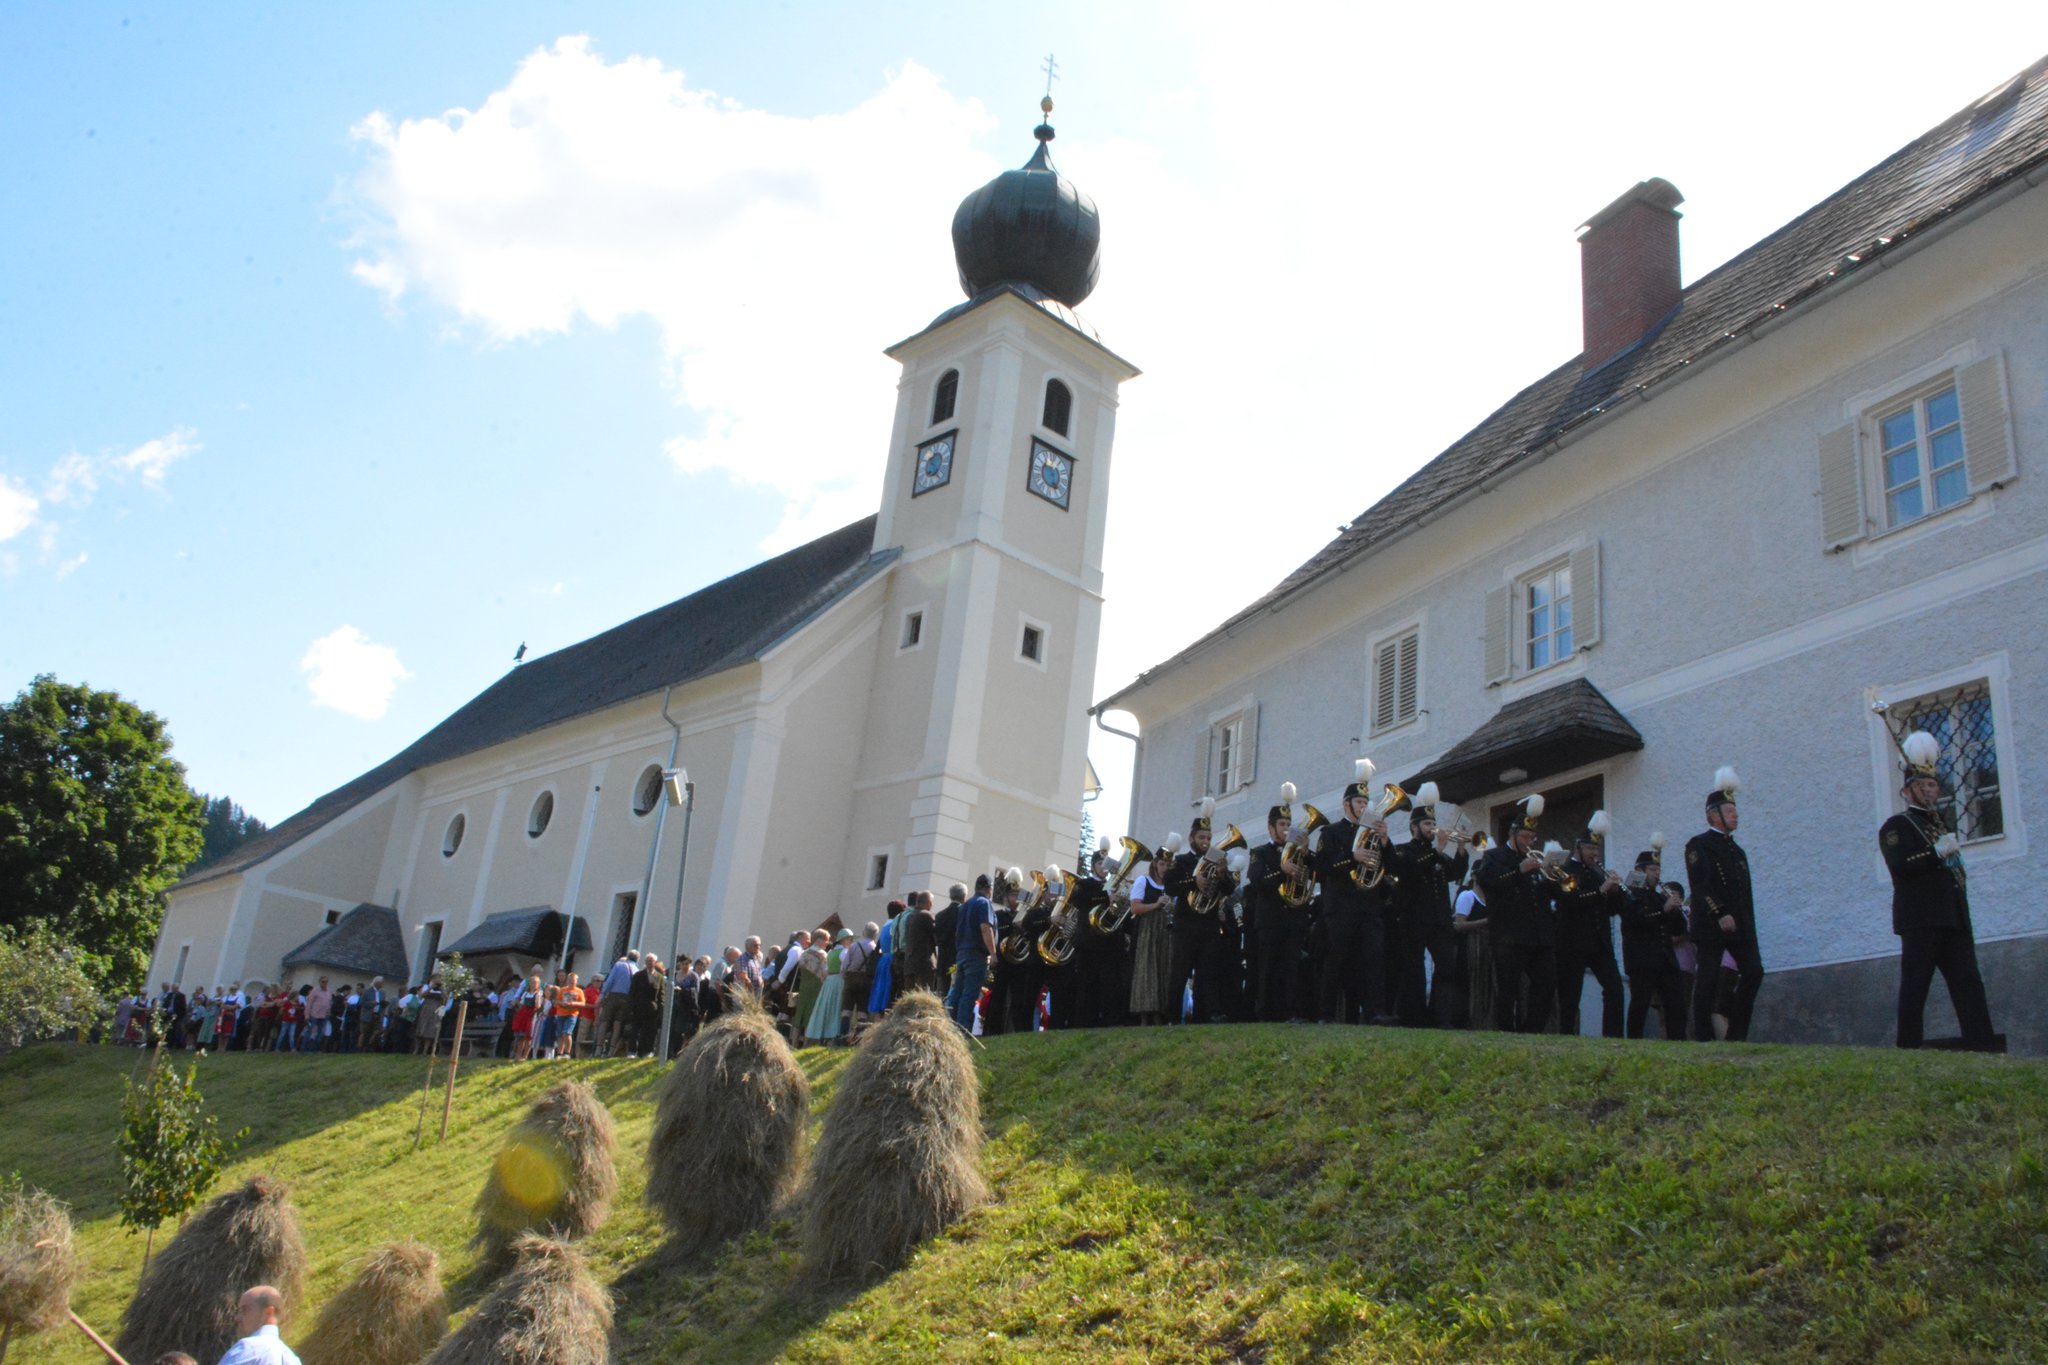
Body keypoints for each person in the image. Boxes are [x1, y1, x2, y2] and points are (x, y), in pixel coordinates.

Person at [1882, 732, 1999, 1050]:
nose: (1928, 790)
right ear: (1907, 790)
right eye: (1921, 785)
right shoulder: (1897, 826)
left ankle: (1982, 1044)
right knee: (1916, 985)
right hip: (1921, 919)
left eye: (1932, 785)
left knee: (1969, 983)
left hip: (1953, 919)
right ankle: (1908, 1046)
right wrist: (1935, 853)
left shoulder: (1940, 824)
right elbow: (1901, 866)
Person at [1312, 761, 1394, 1025]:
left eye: (1365, 803)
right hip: (1340, 907)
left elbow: (1391, 866)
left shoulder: (1372, 833)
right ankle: (1326, 1014)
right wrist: (1352, 857)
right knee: (1336, 960)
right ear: (1346, 804)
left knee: (1373, 960)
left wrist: (1384, 841)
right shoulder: (1331, 832)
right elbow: (1321, 866)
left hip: (1369, 905)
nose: (1363, 807)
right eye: (1359, 802)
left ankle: (1374, 1012)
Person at [1686, 767, 1762, 1043]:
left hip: (1740, 925)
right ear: (1713, 815)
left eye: (1735, 811)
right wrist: (1719, 911)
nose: (1735, 815)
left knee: (1754, 972)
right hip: (1711, 924)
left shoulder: (1738, 851)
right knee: (1707, 979)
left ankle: (1736, 1036)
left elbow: (1744, 894)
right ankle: (1703, 1038)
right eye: (1729, 811)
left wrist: (1748, 926)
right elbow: (1700, 883)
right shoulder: (1699, 845)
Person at [1387, 785, 1469, 1027]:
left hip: (1439, 920)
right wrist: (1438, 850)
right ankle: (1413, 1018)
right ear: (1414, 827)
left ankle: (1440, 1017)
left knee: (1446, 967)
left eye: (1433, 824)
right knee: (1414, 970)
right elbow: (1412, 870)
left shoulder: (1438, 856)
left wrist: (1461, 848)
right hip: (1414, 919)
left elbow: (1454, 872)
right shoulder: (1404, 851)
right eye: (1427, 824)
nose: (1432, 828)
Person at [1475, 795, 1557, 1033]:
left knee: (1546, 983)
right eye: (1524, 837)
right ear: (1512, 834)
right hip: (1509, 935)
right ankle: (1506, 1031)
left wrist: (1551, 875)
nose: (1528, 842)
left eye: (1532, 838)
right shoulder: (1494, 856)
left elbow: (1550, 893)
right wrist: (1519, 871)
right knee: (1508, 988)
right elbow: (1489, 882)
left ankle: (1532, 1029)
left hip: (1539, 935)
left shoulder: (1536, 859)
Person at [1554, 812, 1626, 1037]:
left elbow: (1612, 910)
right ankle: (1567, 1038)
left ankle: (1612, 1037)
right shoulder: (1566, 871)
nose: (1594, 853)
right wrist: (1601, 890)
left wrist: (1615, 892)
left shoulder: (1596, 874)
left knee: (1614, 988)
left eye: (1596, 848)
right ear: (1578, 847)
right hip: (1572, 942)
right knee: (1570, 996)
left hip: (1599, 943)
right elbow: (1570, 901)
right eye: (1589, 848)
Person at [1251, 787, 1308, 1022]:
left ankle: (1290, 1012)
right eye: (1282, 824)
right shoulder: (1260, 852)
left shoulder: (1296, 851)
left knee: (1291, 967)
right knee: (1268, 968)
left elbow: (1311, 876)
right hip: (1270, 919)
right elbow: (1257, 881)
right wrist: (1281, 870)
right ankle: (1266, 1014)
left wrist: (1305, 853)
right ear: (1271, 828)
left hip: (1293, 918)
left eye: (1288, 824)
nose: (1286, 829)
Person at [1620, 850, 1689, 1039]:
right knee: (1640, 1003)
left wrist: (1676, 911)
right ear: (1640, 871)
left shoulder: (1659, 897)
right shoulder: (1629, 895)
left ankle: (1678, 1041)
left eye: (1658, 870)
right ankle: (1634, 1040)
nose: (1657, 874)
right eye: (1652, 869)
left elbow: (1677, 930)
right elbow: (1636, 920)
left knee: (1676, 1004)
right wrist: (1664, 910)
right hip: (1642, 960)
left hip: (1666, 960)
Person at [1126, 841, 1177, 1025]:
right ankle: (1145, 1013)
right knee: (1147, 969)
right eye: (1162, 864)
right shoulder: (1144, 881)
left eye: (1168, 865)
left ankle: (1160, 1012)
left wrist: (1171, 906)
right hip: (1148, 930)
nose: (1165, 868)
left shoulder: (1171, 886)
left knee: (1164, 968)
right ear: (1155, 864)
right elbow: (1135, 907)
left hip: (1166, 930)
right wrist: (1156, 904)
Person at [948, 876, 997, 1033]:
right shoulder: (984, 903)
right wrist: (993, 953)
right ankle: (962, 1030)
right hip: (976, 955)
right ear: (988, 888)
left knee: (957, 993)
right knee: (969, 995)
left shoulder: (965, 905)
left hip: (962, 953)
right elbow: (985, 928)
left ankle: (950, 1027)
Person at [216, 1284, 301, 1365]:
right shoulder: (292, 1359)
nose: (237, 1318)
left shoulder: (249, 1348)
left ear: (269, 1312)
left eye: (245, 1310)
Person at [596, 950, 639, 1057]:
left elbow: (609, 981)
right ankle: (611, 1050)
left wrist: (602, 995)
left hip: (614, 996)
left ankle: (598, 1049)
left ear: (627, 956)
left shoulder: (619, 965)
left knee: (605, 1021)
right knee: (618, 1023)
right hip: (626, 999)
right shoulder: (637, 970)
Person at [899, 892, 940, 995]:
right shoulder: (926, 915)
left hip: (909, 964)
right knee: (923, 998)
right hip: (923, 965)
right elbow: (937, 938)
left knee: (910, 998)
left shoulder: (909, 916)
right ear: (929, 903)